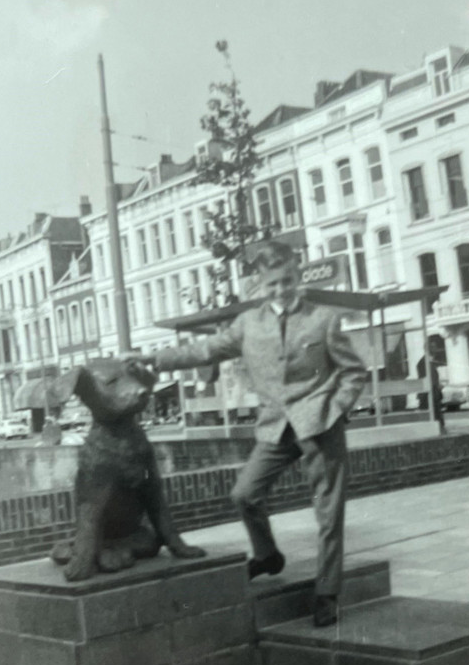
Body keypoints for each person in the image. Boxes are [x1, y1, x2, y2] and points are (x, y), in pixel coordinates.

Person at [138, 241, 367, 627]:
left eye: (288, 281)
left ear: (298, 276)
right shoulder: (248, 324)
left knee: (328, 515)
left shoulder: (323, 319)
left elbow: (354, 371)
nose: (281, 290)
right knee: (244, 494)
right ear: (260, 284)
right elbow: (206, 350)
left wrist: (336, 408)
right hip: (276, 426)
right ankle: (267, 555)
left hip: (320, 426)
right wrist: (154, 360)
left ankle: (327, 593)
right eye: (273, 283)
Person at [416, 347, 446, 434]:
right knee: (432, 418)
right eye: (433, 348)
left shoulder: (429, 362)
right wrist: (436, 386)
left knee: (436, 418)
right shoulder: (423, 363)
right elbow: (426, 378)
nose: (435, 350)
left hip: (434, 394)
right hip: (429, 395)